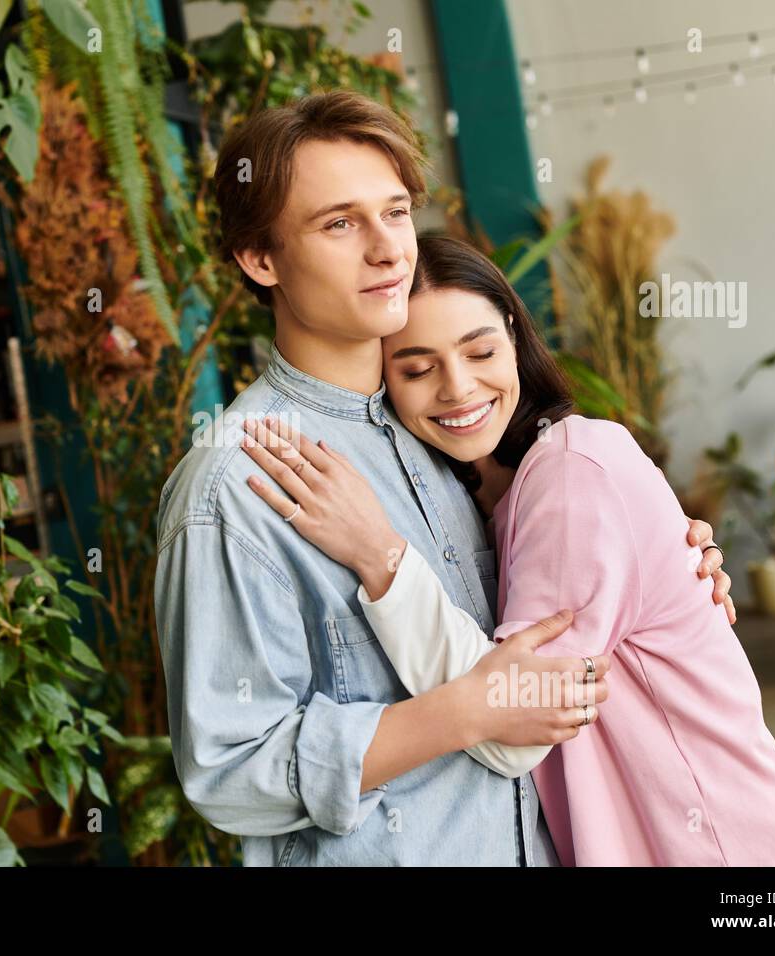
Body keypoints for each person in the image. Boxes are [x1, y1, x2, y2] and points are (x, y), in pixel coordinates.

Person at [154, 91, 732, 866]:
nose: (389, 250)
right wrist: (459, 714)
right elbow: (228, 768)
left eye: (395, 213)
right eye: (338, 223)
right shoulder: (238, 483)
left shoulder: (446, 432)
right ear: (261, 259)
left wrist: (664, 567)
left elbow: (553, 616)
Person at [240, 235, 775, 866]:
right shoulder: (484, 503)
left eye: (481, 350)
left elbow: (520, 717)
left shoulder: (573, 469)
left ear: (516, 339)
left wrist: (379, 556)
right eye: (417, 369)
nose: (458, 388)